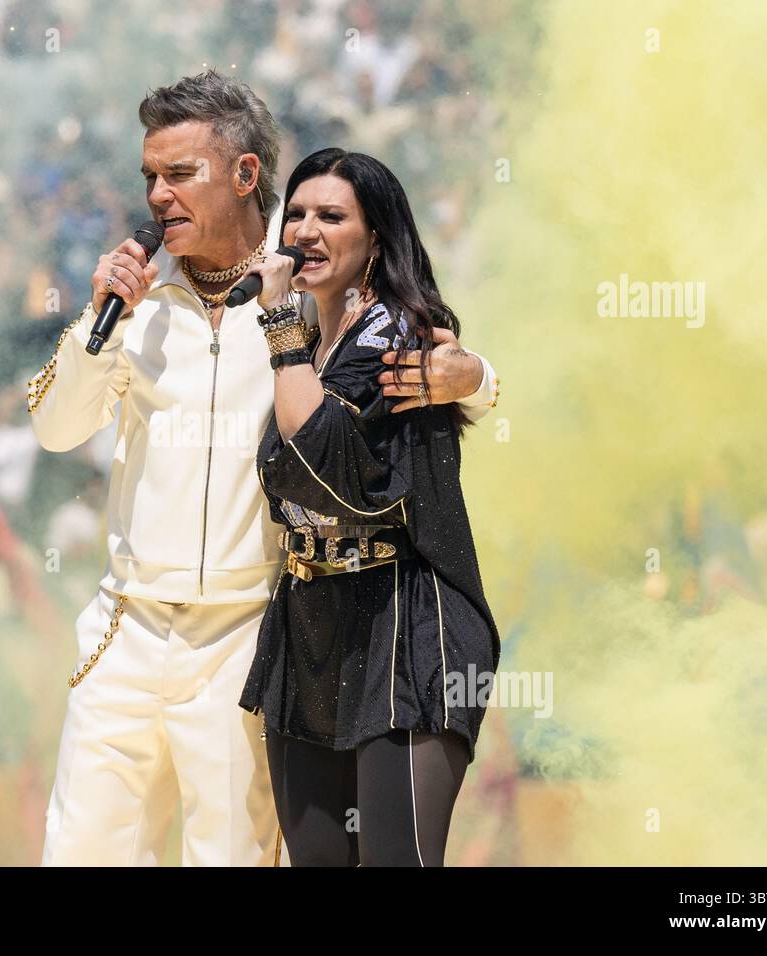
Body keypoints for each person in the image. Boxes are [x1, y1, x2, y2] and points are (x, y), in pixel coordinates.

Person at [27, 71, 500, 866]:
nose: (157, 196)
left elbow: (418, 349)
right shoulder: (137, 297)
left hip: (250, 629)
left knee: (234, 857)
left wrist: (479, 377)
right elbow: (54, 425)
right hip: (127, 626)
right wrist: (101, 319)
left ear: (247, 175)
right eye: (150, 176)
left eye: (180, 174)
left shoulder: (309, 278)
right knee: (80, 850)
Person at [236, 147, 500, 866]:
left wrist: (281, 329)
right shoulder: (319, 341)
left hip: (407, 625)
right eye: (296, 214)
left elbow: (323, 461)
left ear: (376, 237)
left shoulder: (399, 339)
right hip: (312, 629)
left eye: (332, 216)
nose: (307, 231)